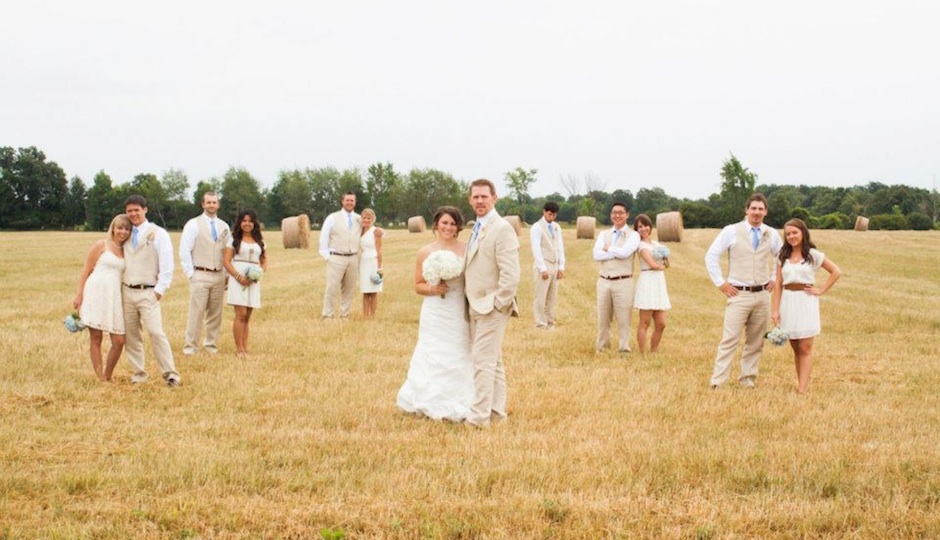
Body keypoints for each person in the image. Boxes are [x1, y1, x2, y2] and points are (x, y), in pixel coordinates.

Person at [397, 207, 475, 421]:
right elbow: (418, 285)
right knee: (432, 351)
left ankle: (462, 399)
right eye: (444, 223)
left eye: (452, 223)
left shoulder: (467, 249)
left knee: (459, 348)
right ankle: (427, 400)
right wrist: (433, 289)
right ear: (436, 225)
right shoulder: (425, 251)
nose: (448, 227)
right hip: (435, 311)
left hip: (457, 307)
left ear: (458, 226)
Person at [705, 193, 783, 389]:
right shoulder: (731, 231)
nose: (757, 212)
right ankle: (718, 382)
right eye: (753, 208)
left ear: (766, 212)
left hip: (762, 295)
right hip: (739, 294)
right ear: (746, 210)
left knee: (756, 342)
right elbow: (711, 256)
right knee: (730, 339)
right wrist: (720, 283)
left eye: (760, 209)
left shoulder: (771, 233)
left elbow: (782, 257)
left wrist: (773, 278)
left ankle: (748, 380)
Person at [463, 179, 521, 428]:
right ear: (470, 200)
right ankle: (497, 413)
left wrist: (499, 303)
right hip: (475, 305)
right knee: (493, 361)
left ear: (494, 198)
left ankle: (478, 419)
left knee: (482, 361)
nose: (479, 201)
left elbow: (511, 273)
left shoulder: (502, 228)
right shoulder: (477, 227)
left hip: (492, 306)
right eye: (475, 197)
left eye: (484, 196)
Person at [771, 218, 842, 393]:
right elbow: (778, 284)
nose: (791, 236)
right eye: (788, 234)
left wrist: (821, 290)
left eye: (795, 232)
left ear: (803, 233)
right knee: (795, 347)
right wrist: (775, 310)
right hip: (788, 301)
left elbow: (836, 271)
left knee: (805, 347)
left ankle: (802, 389)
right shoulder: (783, 257)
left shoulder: (813, 255)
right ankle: (800, 382)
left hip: (806, 301)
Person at [122, 195, 181, 387]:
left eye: (136, 210)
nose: (133, 214)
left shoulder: (158, 233)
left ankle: (171, 374)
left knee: (156, 332)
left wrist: (159, 290)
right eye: (129, 210)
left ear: (145, 210)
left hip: (148, 291)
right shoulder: (125, 232)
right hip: (128, 292)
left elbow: (167, 263)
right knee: (132, 336)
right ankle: (139, 374)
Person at [72, 214, 132, 381]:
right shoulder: (101, 245)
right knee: (96, 337)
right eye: (120, 227)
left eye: (127, 229)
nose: (123, 231)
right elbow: (86, 271)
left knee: (119, 340)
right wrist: (79, 295)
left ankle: (108, 374)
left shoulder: (127, 250)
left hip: (113, 296)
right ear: (113, 228)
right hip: (95, 292)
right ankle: (101, 378)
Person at [178, 191, 230, 355]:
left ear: (218, 204)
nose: (211, 205)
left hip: (219, 274)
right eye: (208, 202)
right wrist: (190, 273)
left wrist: (227, 275)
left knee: (216, 314)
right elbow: (184, 250)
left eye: (214, 202)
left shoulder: (224, 226)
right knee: (196, 313)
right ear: (202, 204)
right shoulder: (193, 224)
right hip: (200, 273)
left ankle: (210, 345)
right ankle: (190, 347)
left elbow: (228, 251)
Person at [593, 202, 641, 353]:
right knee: (603, 319)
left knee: (624, 319)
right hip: (603, 281)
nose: (617, 215)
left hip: (623, 281)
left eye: (621, 212)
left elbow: (626, 253)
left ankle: (624, 349)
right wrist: (615, 252)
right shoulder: (603, 234)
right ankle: (602, 348)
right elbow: (596, 255)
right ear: (610, 214)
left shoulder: (634, 235)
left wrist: (608, 249)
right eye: (614, 212)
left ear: (627, 215)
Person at [223, 209, 267, 358]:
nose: (247, 224)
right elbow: (226, 261)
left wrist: (259, 273)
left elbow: (264, 260)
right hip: (238, 278)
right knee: (240, 314)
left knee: (247, 316)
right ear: (240, 223)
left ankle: (245, 347)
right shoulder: (233, 240)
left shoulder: (260, 242)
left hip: (253, 279)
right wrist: (237, 276)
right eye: (244, 221)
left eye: (250, 221)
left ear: (254, 223)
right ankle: (239, 349)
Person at [318, 192, 361, 319]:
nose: (349, 203)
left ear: (355, 202)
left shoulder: (359, 219)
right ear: (342, 201)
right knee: (332, 288)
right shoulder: (332, 217)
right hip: (336, 257)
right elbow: (324, 236)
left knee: (349, 289)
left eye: (352, 200)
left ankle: (345, 314)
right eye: (347, 200)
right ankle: (327, 315)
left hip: (353, 257)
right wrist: (327, 256)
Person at [632, 214, 671, 353]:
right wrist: (661, 266)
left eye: (645, 225)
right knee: (645, 322)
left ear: (650, 227)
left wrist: (665, 260)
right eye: (640, 227)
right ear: (636, 230)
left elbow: (667, 263)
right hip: (648, 280)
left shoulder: (656, 244)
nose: (643, 229)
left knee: (661, 324)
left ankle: (653, 351)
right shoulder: (641, 246)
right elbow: (653, 264)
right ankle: (642, 353)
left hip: (659, 282)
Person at [529, 201, 566, 329]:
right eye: (550, 214)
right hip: (544, 265)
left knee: (552, 297)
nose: (552, 217)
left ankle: (550, 323)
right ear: (544, 212)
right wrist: (542, 269)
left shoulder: (557, 227)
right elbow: (536, 249)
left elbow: (560, 246)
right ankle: (540, 323)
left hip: (555, 265)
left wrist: (561, 267)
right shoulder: (537, 227)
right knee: (540, 297)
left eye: (554, 215)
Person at [358, 208, 384, 319]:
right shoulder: (359, 231)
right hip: (364, 262)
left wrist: (379, 268)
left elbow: (379, 250)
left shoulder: (376, 231)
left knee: (373, 291)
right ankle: (365, 316)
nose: (366, 220)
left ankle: (372, 316)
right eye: (364, 217)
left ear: (372, 219)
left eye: (368, 218)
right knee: (365, 291)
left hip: (373, 261)